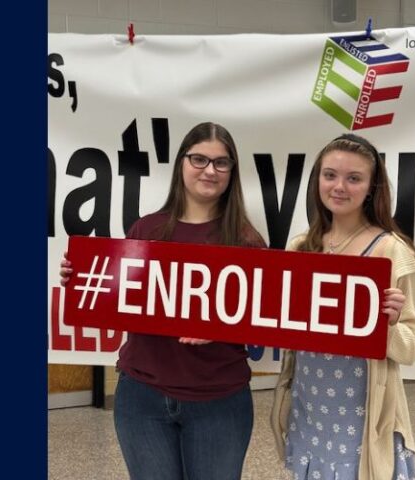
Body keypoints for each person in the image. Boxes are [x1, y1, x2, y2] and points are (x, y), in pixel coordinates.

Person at [60, 122, 267, 480]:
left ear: (232, 172)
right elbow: (121, 298)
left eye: (221, 163)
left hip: (219, 400)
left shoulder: (248, 242)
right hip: (142, 397)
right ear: (182, 164)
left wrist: (222, 324)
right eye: (199, 159)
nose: (209, 170)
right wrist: (81, 278)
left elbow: (265, 323)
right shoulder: (146, 230)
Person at [270, 134, 415, 480]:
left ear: (371, 187)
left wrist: (389, 325)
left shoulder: (390, 251)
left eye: (353, 178)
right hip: (309, 406)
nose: (339, 186)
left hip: (362, 415)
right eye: (330, 175)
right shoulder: (301, 247)